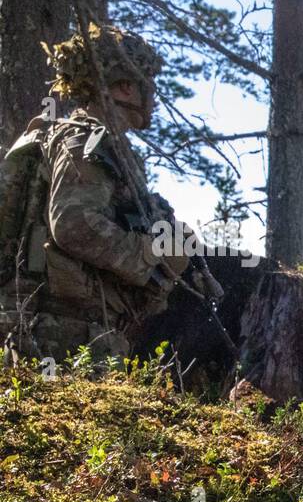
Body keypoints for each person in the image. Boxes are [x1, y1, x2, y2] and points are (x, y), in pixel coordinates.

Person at [0, 24, 221, 365]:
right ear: (124, 87)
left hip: (52, 326)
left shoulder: (76, 138)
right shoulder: (90, 142)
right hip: (62, 332)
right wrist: (149, 258)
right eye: (147, 84)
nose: (153, 95)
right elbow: (73, 223)